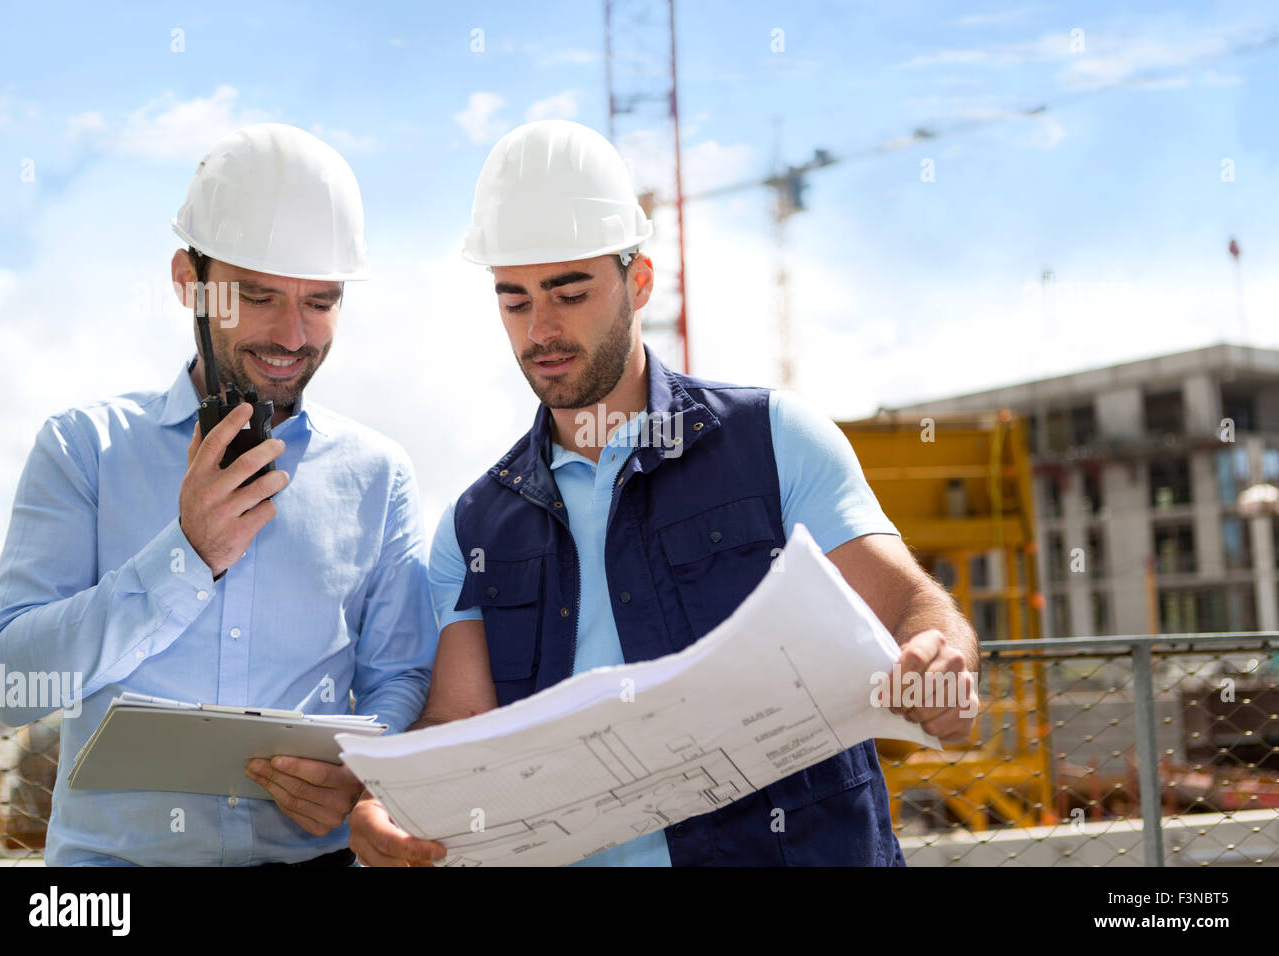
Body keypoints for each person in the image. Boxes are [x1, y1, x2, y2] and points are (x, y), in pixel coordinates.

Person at [349, 119, 978, 867]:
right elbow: (457, 721)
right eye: (513, 301)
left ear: (639, 282)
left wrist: (943, 659)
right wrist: (390, 804)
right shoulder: (474, 526)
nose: (541, 329)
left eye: (570, 292)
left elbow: (912, 606)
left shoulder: (773, 441)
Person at [0, 123, 438, 865]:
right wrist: (186, 557)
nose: (292, 334)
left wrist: (360, 777)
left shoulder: (379, 477)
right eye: (257, 296)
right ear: (189, 283)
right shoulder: (82, 451)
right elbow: (10, 688)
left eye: (320, 303)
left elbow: (401, 678)